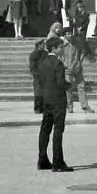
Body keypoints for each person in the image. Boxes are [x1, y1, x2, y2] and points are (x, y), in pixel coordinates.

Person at [36, 36, 74, 172]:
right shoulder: (58, 63)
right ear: (53, 48)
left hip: (46, 99)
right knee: (58, 130)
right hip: (58, 100)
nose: (62, 49)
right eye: (60, 47)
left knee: (45, 129)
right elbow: (60, 82)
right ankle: (58, 162)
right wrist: (69, 85)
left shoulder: (42, 62)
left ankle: (42, 159)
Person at [63, 33, 94, 113]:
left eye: (70, 34)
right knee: (68, 88)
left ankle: (85, 105)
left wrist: (80, 62)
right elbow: (59, 55)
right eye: (67, 34)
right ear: (65, 36)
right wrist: (64, 63)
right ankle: (69, 106)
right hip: (67, 69)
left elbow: (83, 53)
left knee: (81, 87)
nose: (69, 35)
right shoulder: (62, 45)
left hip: (77, 68)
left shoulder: (77, 43)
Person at [29, 39, 47, 115]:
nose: (44, 45)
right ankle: (37, 108)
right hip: (38, 76)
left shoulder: (46, 53)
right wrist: (37, 75)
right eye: (43, 44)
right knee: (38, 93)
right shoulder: (34, 54)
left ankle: (44, 108)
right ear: (39, 45)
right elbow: (32, 67)